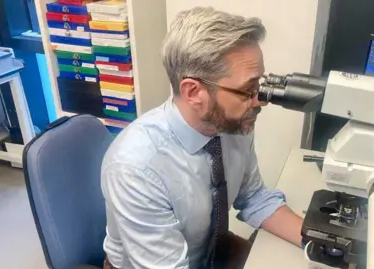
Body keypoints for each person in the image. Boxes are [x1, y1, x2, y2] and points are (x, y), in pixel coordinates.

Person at [101, 6, 304, 269]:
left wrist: (322, 241)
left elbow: (254, 197)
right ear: (194, 92)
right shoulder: (136, 168)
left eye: (260, 86)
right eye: (247, 90)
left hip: (211, 251)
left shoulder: (233, 124)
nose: (259, 101)